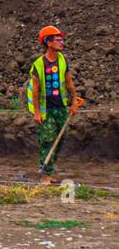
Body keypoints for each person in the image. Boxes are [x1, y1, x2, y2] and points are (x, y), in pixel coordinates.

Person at [26, 25, 82, 184]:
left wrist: (74, 102)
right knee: (47, 139)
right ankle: (44, 174)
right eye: (58, 40)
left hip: (60, 107)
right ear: (48, 42)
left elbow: (69, 83)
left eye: (61, 39)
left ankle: (49, 170)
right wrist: (37, 112)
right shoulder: (38, 64)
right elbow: (35, 90)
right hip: (45, 108)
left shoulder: (63, 59)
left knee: (61, 137)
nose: (62, 42)